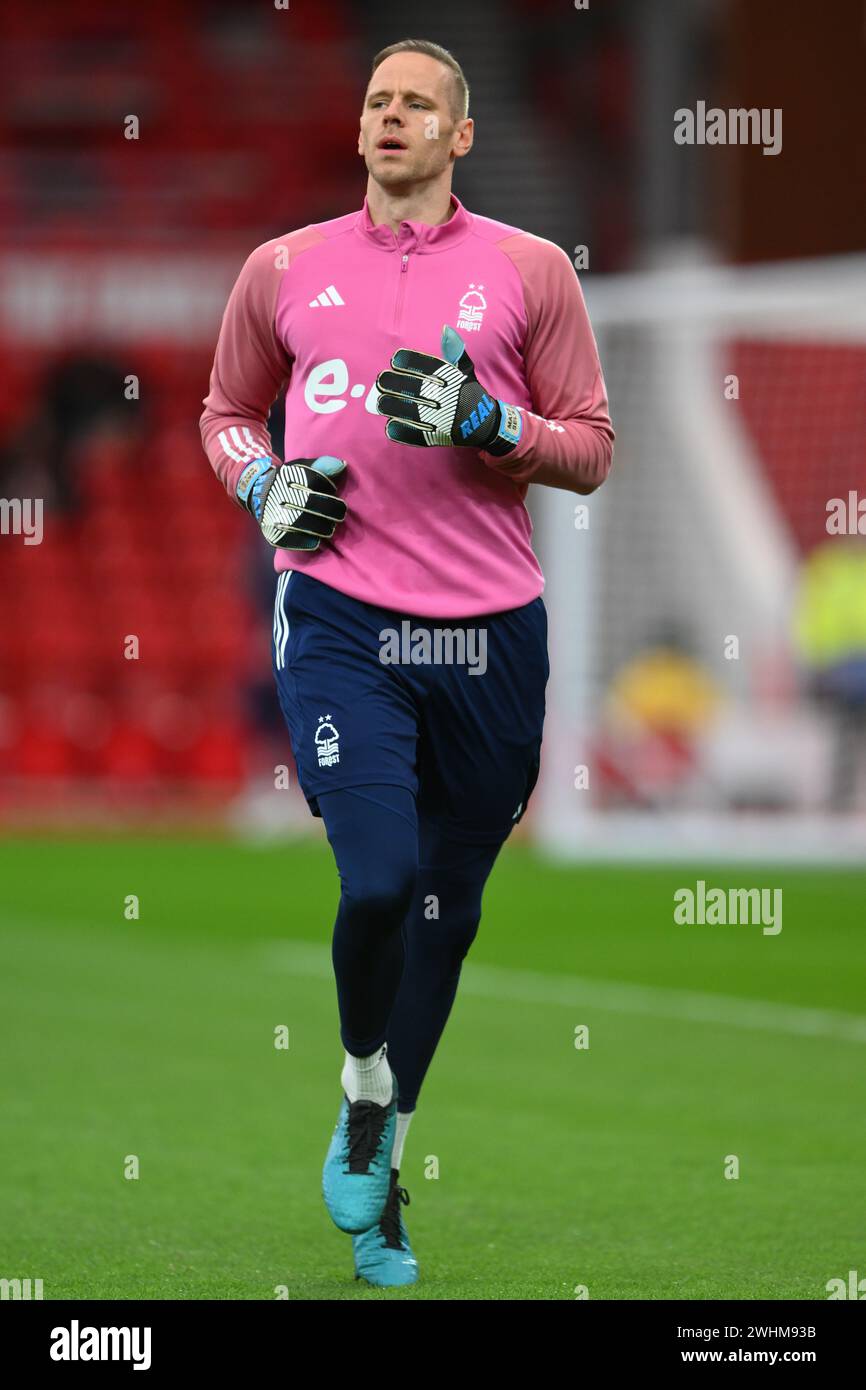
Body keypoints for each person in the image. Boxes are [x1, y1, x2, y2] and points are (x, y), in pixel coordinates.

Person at [200, 37, 614, 1287]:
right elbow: (223, 415)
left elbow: (590, 445)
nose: (389, 117)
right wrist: (264, 482)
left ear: (460, 136)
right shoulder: (281, 266)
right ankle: (363, 1085)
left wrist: (493, 425)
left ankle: (382, 1155)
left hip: (491, 631)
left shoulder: (530, 271)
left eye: (416, 103)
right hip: (339, 620)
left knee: (448, 906)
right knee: (377, 882)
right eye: (376, 100)